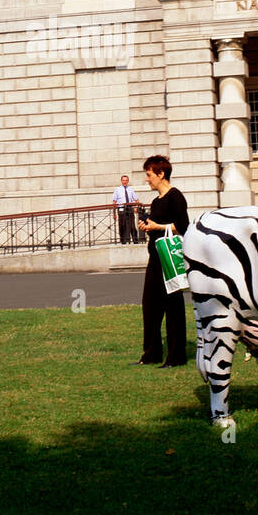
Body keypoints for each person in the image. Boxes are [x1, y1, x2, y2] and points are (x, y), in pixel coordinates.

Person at [135, 154, 189, 367]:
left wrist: (158, 227)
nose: (147, 179)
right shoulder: (156, 200)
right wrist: (147, 225)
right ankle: (151, 353)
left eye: (149, 175)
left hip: (169, 258)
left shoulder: (175, 196)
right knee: (150, 306)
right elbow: (156, 224)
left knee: (173, 307)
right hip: (155, 259)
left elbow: (183, 225)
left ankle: (176, 356)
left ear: (161, 173)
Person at [112, 174, 139, 243]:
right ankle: (123, 241)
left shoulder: (130, 189)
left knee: (132, 225)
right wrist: (114, 213)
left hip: (130, 208)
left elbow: (137, 200)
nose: (125, 182)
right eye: (123, 180)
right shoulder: (117, 190)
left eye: (126, 180)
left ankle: (135, 240)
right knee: (122, 225)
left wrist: (136, 207)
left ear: (128, 181)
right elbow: (114, 202)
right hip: (121, 209)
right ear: (121, 181)